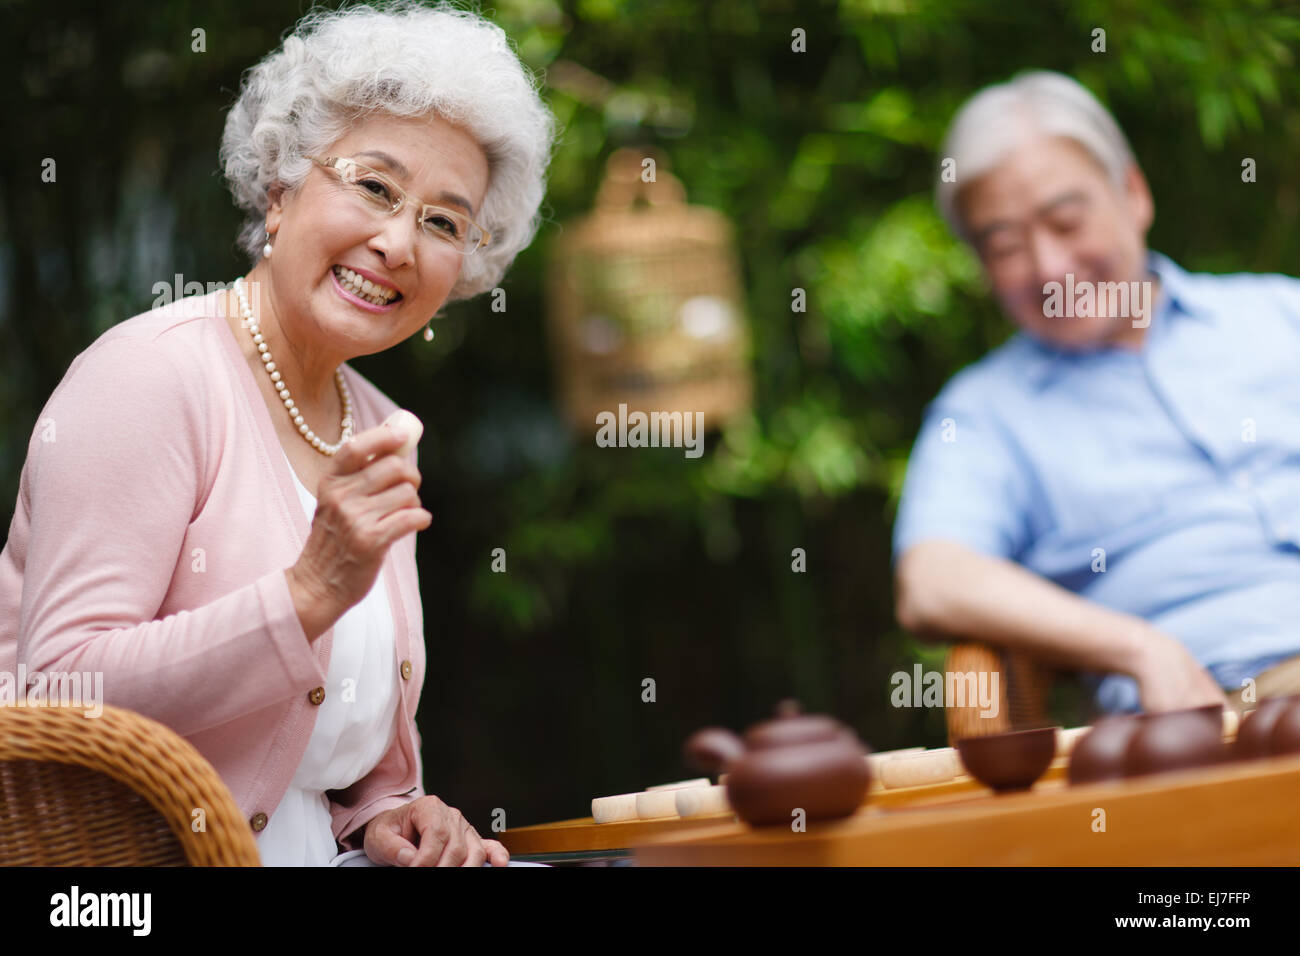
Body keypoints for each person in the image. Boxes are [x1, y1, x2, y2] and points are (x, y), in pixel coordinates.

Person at [0, 0, 555, 866]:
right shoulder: (153, 374)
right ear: (281, 187)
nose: (397, 242)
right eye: (374, 186)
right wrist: (303, 595)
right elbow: (56, 692)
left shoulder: (377, 425)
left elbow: (321, 755)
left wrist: (388, 813)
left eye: (444, 222)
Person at [892, 70, 1300, 719]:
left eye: (1067, 220)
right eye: (1005, 245)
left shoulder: (1281, 314)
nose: (1050, 268)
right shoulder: (985, 415)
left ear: (1134, 194)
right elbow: (933, 581)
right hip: (1221, 722)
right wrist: (1140, 648)